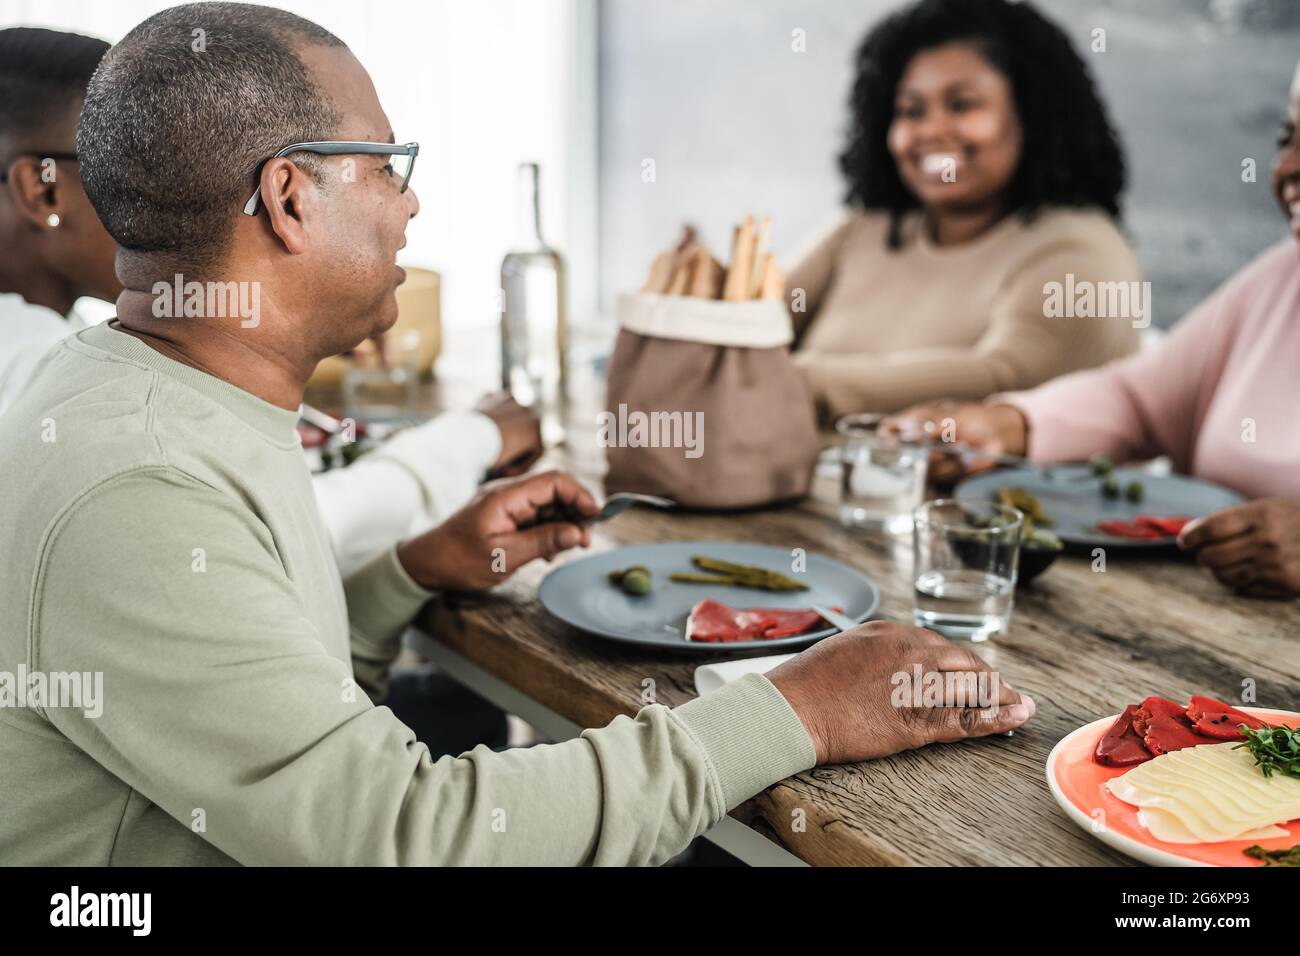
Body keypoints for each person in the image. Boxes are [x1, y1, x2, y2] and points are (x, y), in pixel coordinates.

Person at [0, 3, 1034, 866]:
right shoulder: (138, 481)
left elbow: (275, 755)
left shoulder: (157, 394)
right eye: (386, 166)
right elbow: (403, 838)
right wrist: (799, 707)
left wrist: (403, 573)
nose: (411, 204)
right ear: (288, 197)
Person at [0, 26, 541, 578]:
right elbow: (248, 548)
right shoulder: (33, 376)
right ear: (41, 190)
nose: (155, 193)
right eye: (110, 168)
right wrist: (471, 439)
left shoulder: (66, 346)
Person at [886, 59, 1300, 601]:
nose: (1289, 165)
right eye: (1287, 136)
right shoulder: (1281, 277)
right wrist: (1009, 425)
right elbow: (1139, 399)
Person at [786, 0, 1140, 420]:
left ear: (1033, 113)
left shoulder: (1083, 250)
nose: (931, 131)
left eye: (961, 105)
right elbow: (749, 319)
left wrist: (793, 383)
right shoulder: (865, 230)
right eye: (911, 111)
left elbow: (1009, 378)